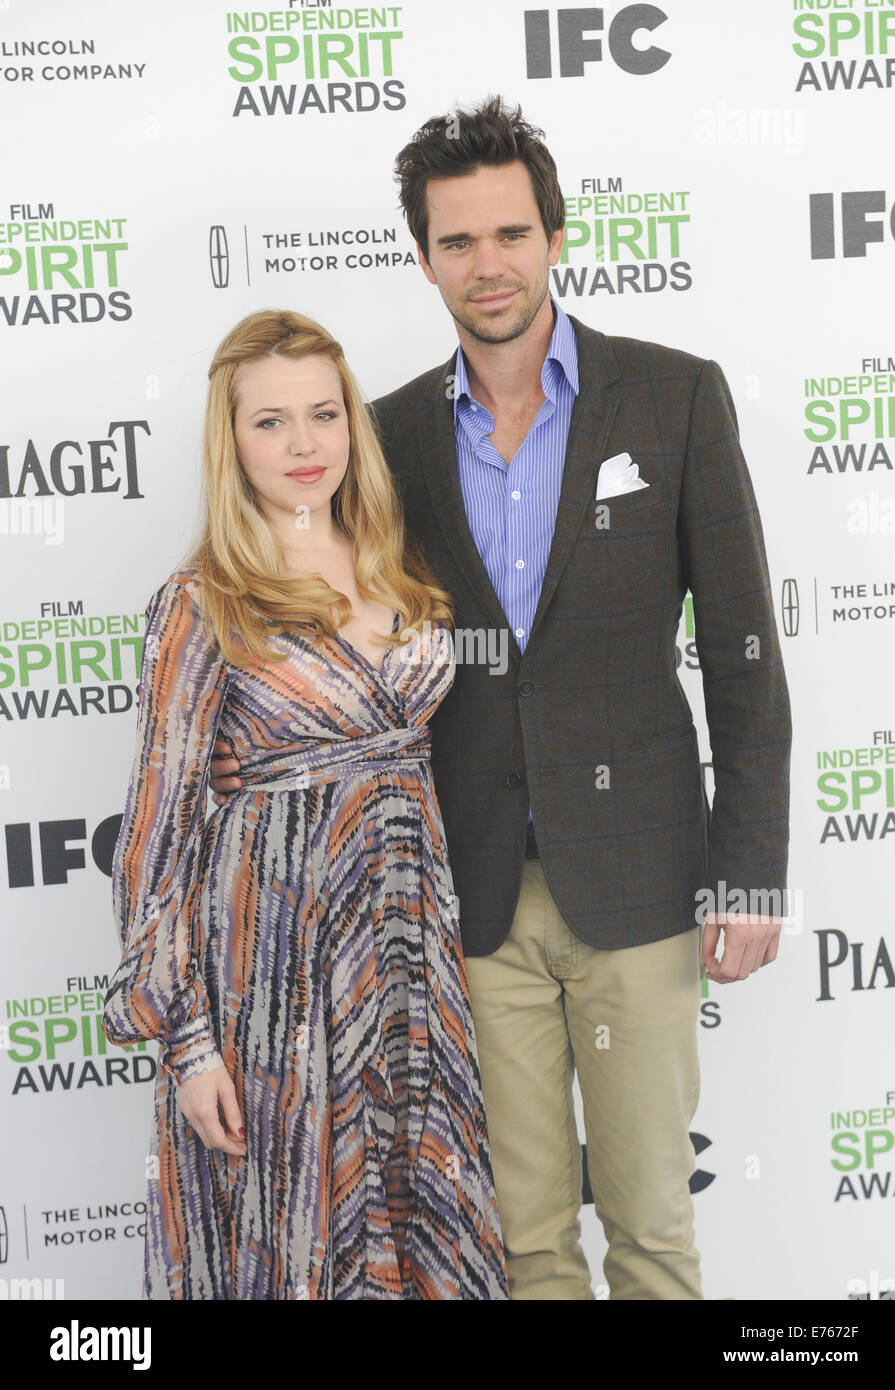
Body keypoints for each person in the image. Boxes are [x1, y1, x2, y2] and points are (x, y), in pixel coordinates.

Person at [211, 98, 793, 1301]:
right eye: (458, 242)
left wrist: (751, 868)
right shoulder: (381, 441)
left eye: (510, 234)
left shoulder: (673, 398)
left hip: (636, 885)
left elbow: (739, 654)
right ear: (424, 257)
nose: (488, 265)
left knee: (650, 1234)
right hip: (463, 900)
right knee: (523, 1243)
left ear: (554, 237)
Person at [102, 309, 509, 1301]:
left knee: (423, 1231)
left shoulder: (402, 572)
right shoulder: (202, 602)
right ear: (229, 439)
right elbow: (155, 835)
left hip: (408, 959)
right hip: (269, 979)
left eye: (322, 415)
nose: (301, 445)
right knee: (293, 1244)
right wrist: (188, 1045)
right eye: (270, 422)